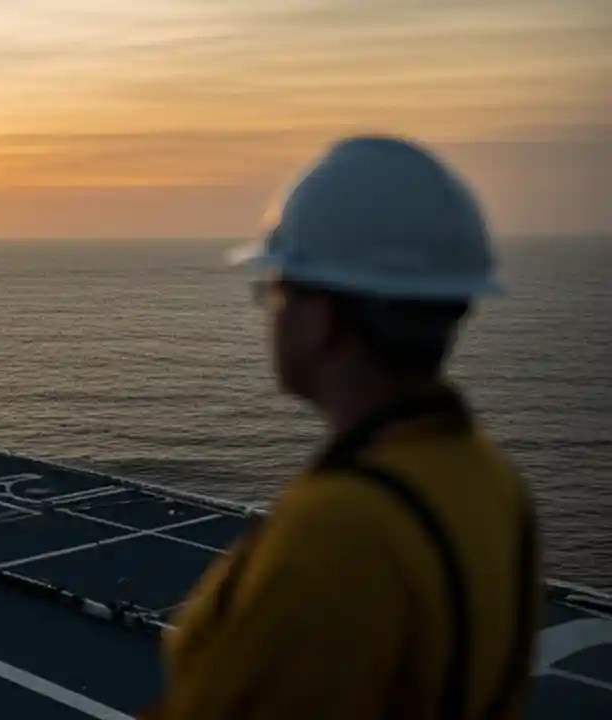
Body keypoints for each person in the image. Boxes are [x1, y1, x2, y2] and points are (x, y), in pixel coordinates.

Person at [143, 137, 541, 719]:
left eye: (275, 291)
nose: (269, 311)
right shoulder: (491, 480)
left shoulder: (338, 528)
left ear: (321, 318)